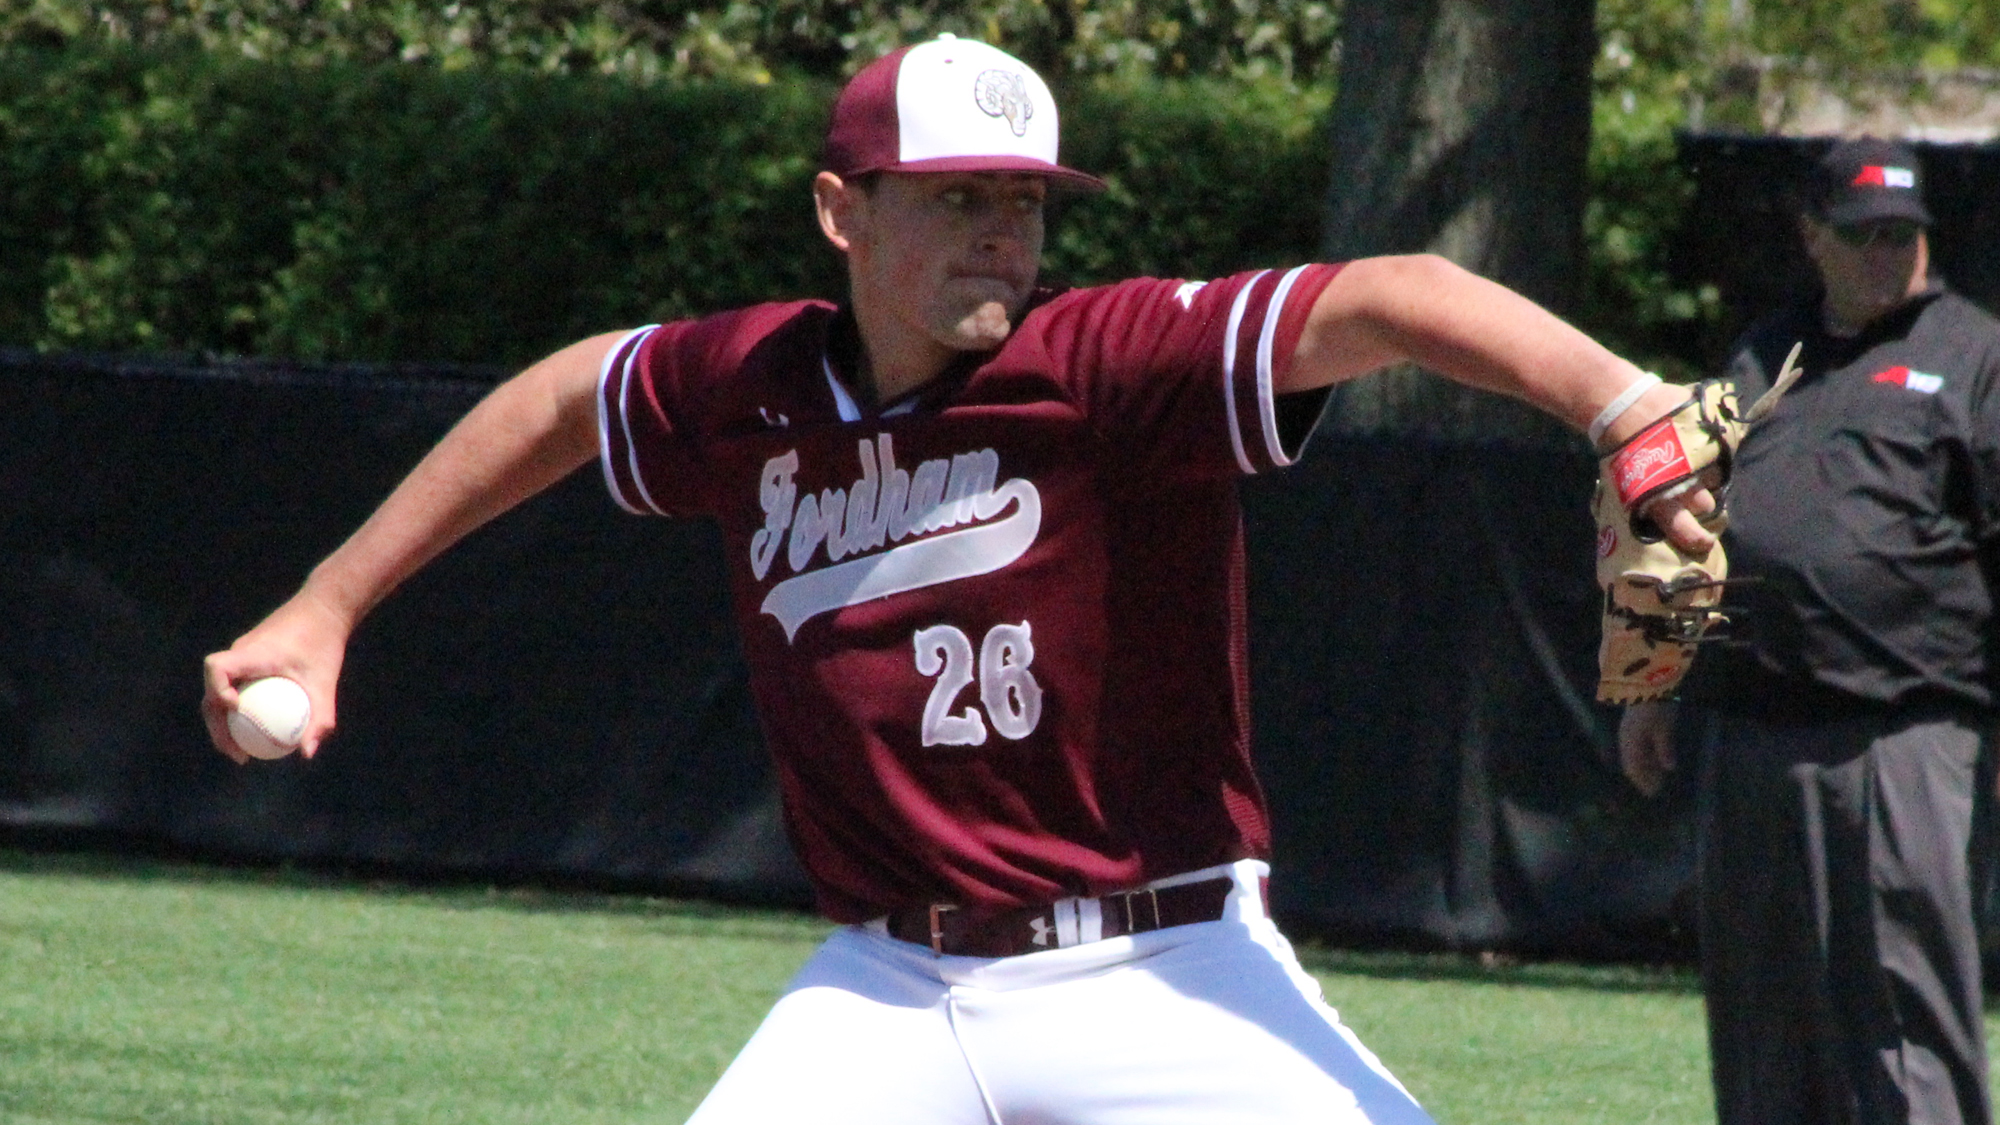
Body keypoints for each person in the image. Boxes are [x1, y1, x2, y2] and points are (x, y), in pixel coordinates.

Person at [204, 35, 1711, 1124]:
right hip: (888, 984)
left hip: (1159, 962)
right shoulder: (754, 383)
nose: (1005, 230)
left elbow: (1399, 294)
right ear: (841, 210)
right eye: (957, 196)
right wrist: (329, 604)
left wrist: (1624, 404)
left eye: (1027, 199)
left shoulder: (1111, 363)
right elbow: (556, 401)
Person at [1619, 136, 2000, 1125]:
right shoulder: (1762, 355)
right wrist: (1653, 679)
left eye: (1901, 236)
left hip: (1898, 733)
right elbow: (1684, 517)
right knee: (1759, 1017)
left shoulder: (1971, 355)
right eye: (1863, 236)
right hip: (1749, 734)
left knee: (1899, 1005)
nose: (1888, 255)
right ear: (1810, 237)